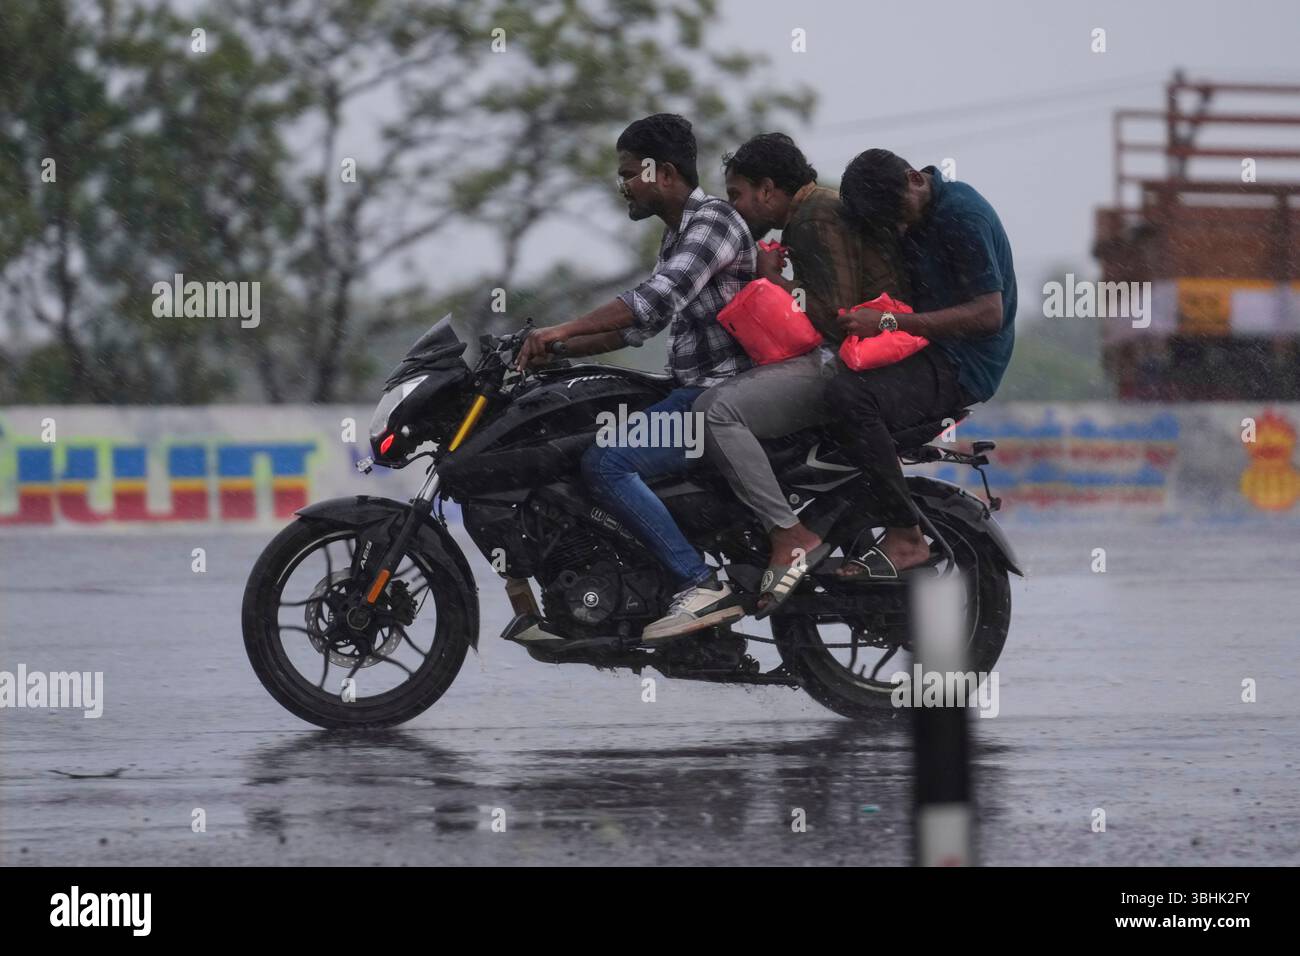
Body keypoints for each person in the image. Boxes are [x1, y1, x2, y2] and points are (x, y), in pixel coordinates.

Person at [515, 113, 755, 642]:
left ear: (664, 173)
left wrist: (564, 328)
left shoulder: (712, 222)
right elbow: (638, 328)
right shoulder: (677, 236)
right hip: (693, 390)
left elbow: (656, 297)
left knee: (609, 460)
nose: (622, 184)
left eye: (628, 173)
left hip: (719, 397)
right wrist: (554, 349)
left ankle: (699, 582)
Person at [691, 133, 906, 608]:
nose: (737, 209)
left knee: (715, 412)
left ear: (768, 189)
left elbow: (838, 315)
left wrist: (771, 278)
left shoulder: (814, 216)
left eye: (738, 195)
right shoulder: (818, 210)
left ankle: (789, 535)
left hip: (844, 361)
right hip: (850, 357)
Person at [829, 149, 1016, 579]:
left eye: (902, 218)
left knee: (850, 397)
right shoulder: (909, 210)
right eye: (891, 224)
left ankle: (905, 536)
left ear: (916, 178)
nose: (901, 229)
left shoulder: (963, 216)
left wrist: (889, 322)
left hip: (964, 361)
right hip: (926, 346)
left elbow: (989, 315)